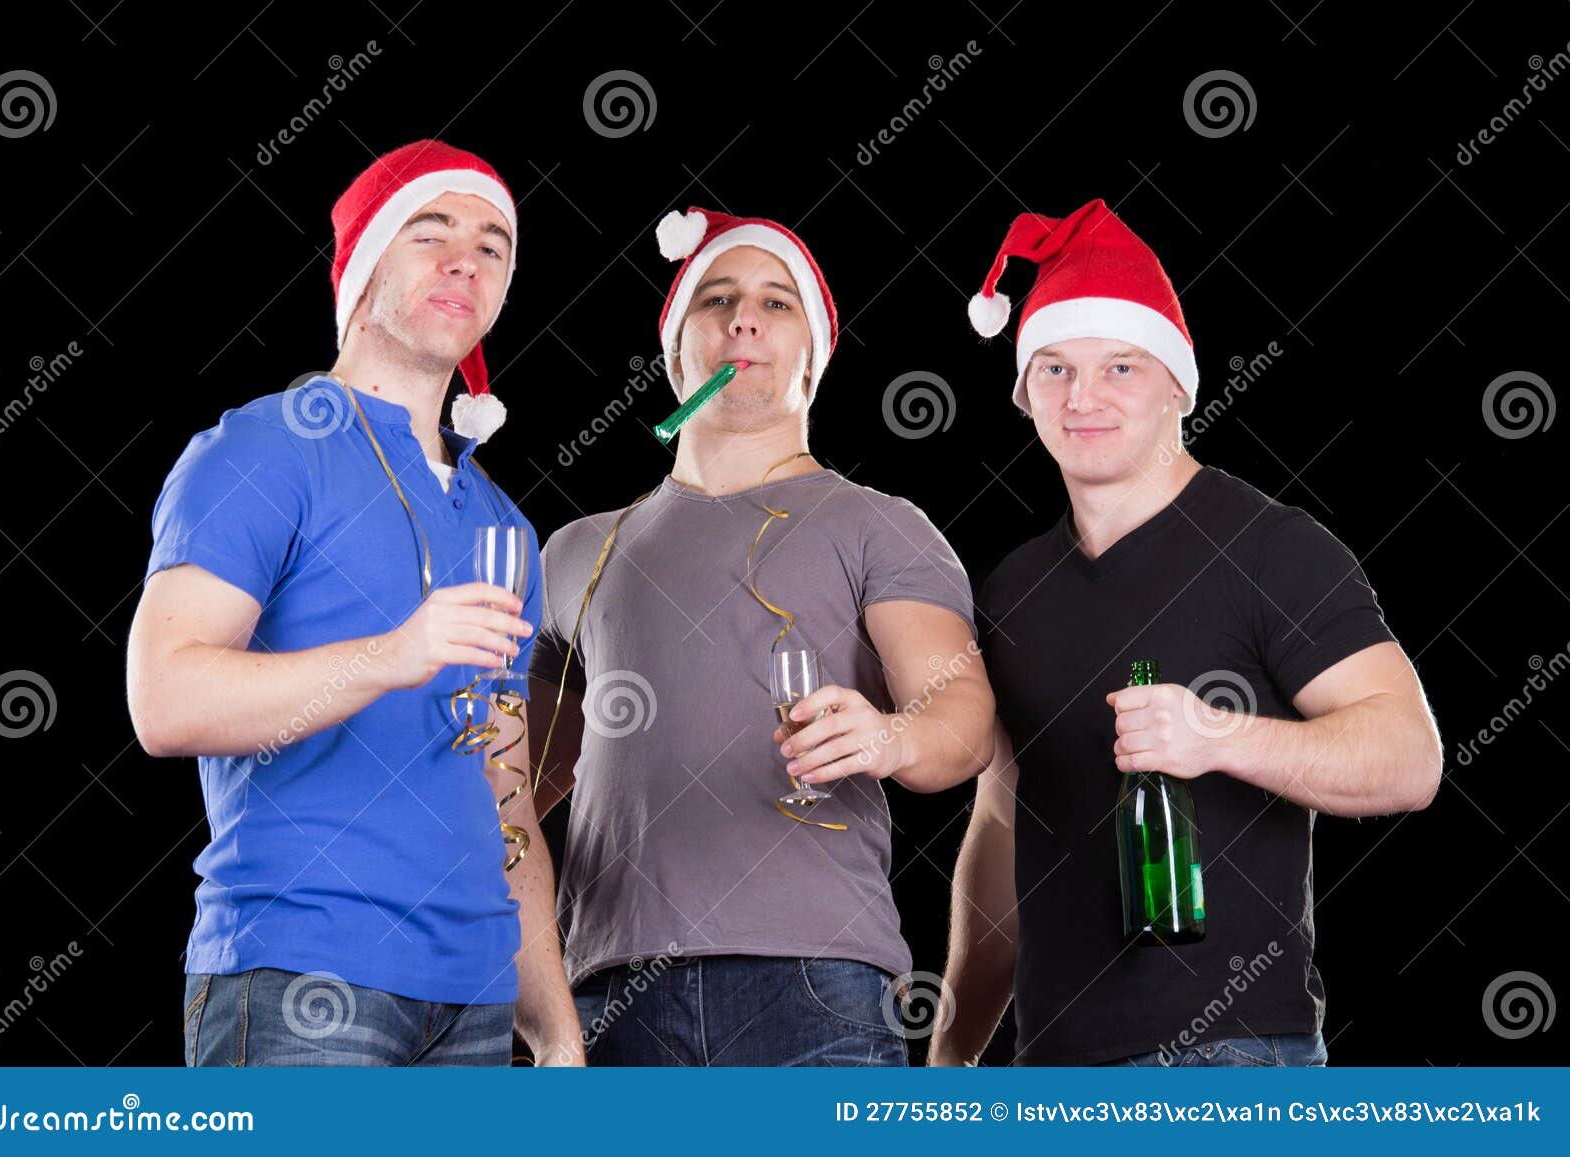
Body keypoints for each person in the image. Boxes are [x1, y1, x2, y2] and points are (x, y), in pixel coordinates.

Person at [928, 199, 1442, 1067]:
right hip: (1047, 1068)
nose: (1083, 396)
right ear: (1024, 392)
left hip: (1231, 1059)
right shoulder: (1011, 588)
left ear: (1177, 385)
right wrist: (953, 1052)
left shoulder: (1271, 548)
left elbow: (1409, 758)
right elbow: (1002, 824)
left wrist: (1219, 737)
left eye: (1120, 366)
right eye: (1054, 368)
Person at [127, 140, 583, 1066]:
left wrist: (557, 1030)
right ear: (368, 262)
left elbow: (507, 799)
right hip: (302, 976)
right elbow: (164, 701)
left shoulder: (505, 527)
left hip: (477, 1007)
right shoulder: (260, 449)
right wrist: (393, 655)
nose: (466, 259)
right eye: (432, 232)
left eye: (492, 245)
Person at [525, 207, 997, 1066]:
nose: (744, 318)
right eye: (717, 299)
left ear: (813, 357)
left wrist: (889, 736)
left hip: (817, 984)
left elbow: (963, 721)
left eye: (778, 303)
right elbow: (507, 790)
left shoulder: (881, 524)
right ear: (675, 354)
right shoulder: (575, 552)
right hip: (608, 993)